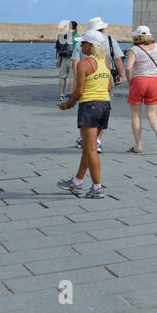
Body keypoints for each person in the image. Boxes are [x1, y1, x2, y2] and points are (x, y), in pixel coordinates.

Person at [57, 30, 112, 198]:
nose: (80, 46)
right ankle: (77, 181)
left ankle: (97, 188)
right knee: (89, 148)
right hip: (105, 105)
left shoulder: (84, 64)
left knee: (91, 149)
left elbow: (79, 90)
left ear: (91, 46)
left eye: (83, 43)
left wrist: (67, 104)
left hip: (90, 106)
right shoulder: (106, 62)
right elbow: (109, 86)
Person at [72, 17, 123, 151]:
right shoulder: (110, 40)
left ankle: (85, 139)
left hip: (87, 79)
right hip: (106, 79)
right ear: (101, 28)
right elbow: (118, 59)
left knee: (85, 110)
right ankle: (98, 140)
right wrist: (121, 75)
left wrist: (78, 79)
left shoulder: (82, 42)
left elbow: (75, 62)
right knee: (103, 106)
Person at [124, 25, 157, 154]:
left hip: (139, 81)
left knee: (136, 114)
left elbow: (128, 68)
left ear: (136, 36)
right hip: (154, 81)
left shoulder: (134, 50)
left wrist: (129, 80)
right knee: (152, 114)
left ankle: (138, 146)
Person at [55, 20, 79, 100]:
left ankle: (61, 95)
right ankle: (70, 94)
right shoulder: (77, 36)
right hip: (73, 59)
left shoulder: (62, 35)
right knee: (72, 77)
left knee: (62, 77)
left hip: (63, 58)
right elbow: (79, 49)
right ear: (76, 27)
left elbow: (57, 47)